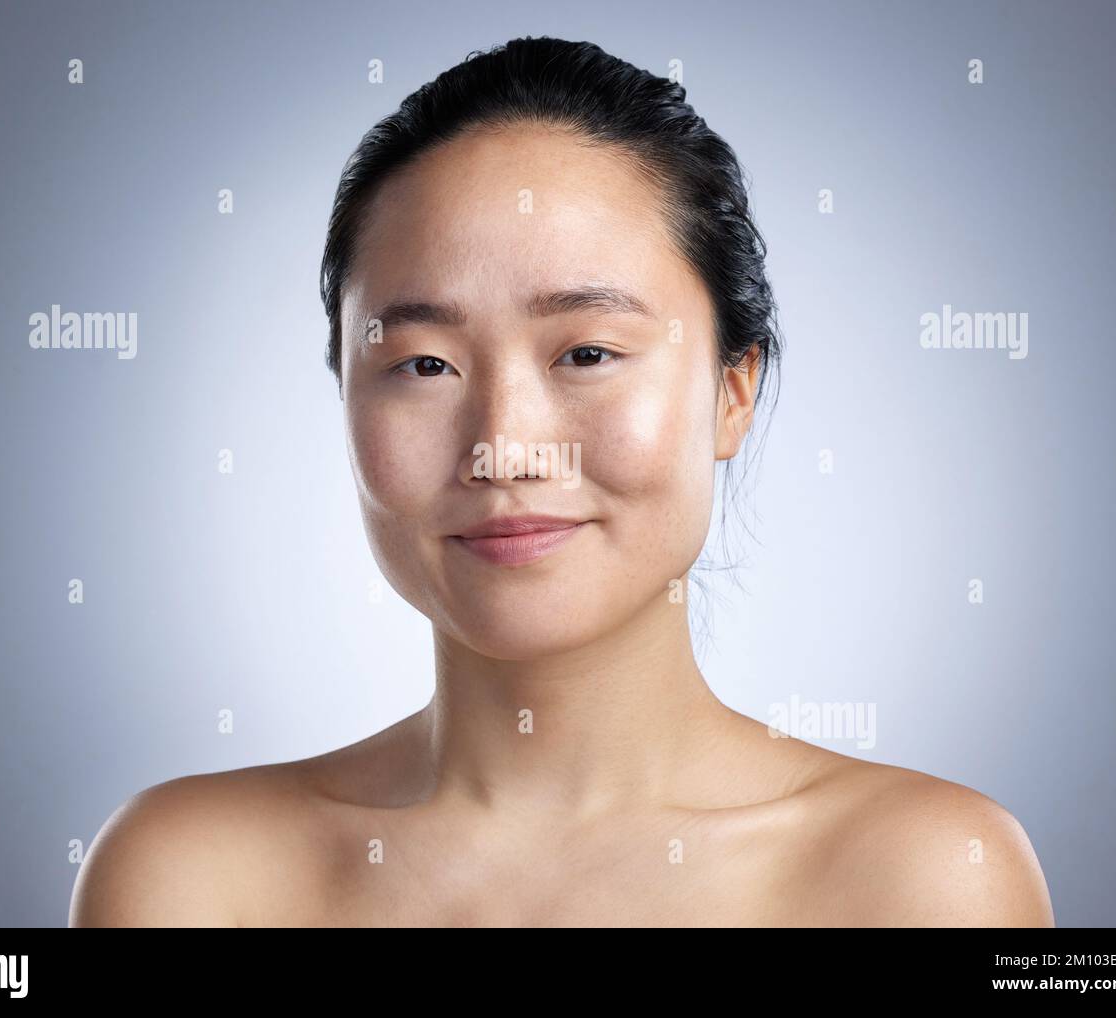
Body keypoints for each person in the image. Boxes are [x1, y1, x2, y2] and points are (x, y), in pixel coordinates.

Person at [70, 35, 1054, 927]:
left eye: (585, 352)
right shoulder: (190, 876)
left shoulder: (923, 875)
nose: (503, 445)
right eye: (424, 365)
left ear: (731, 390)